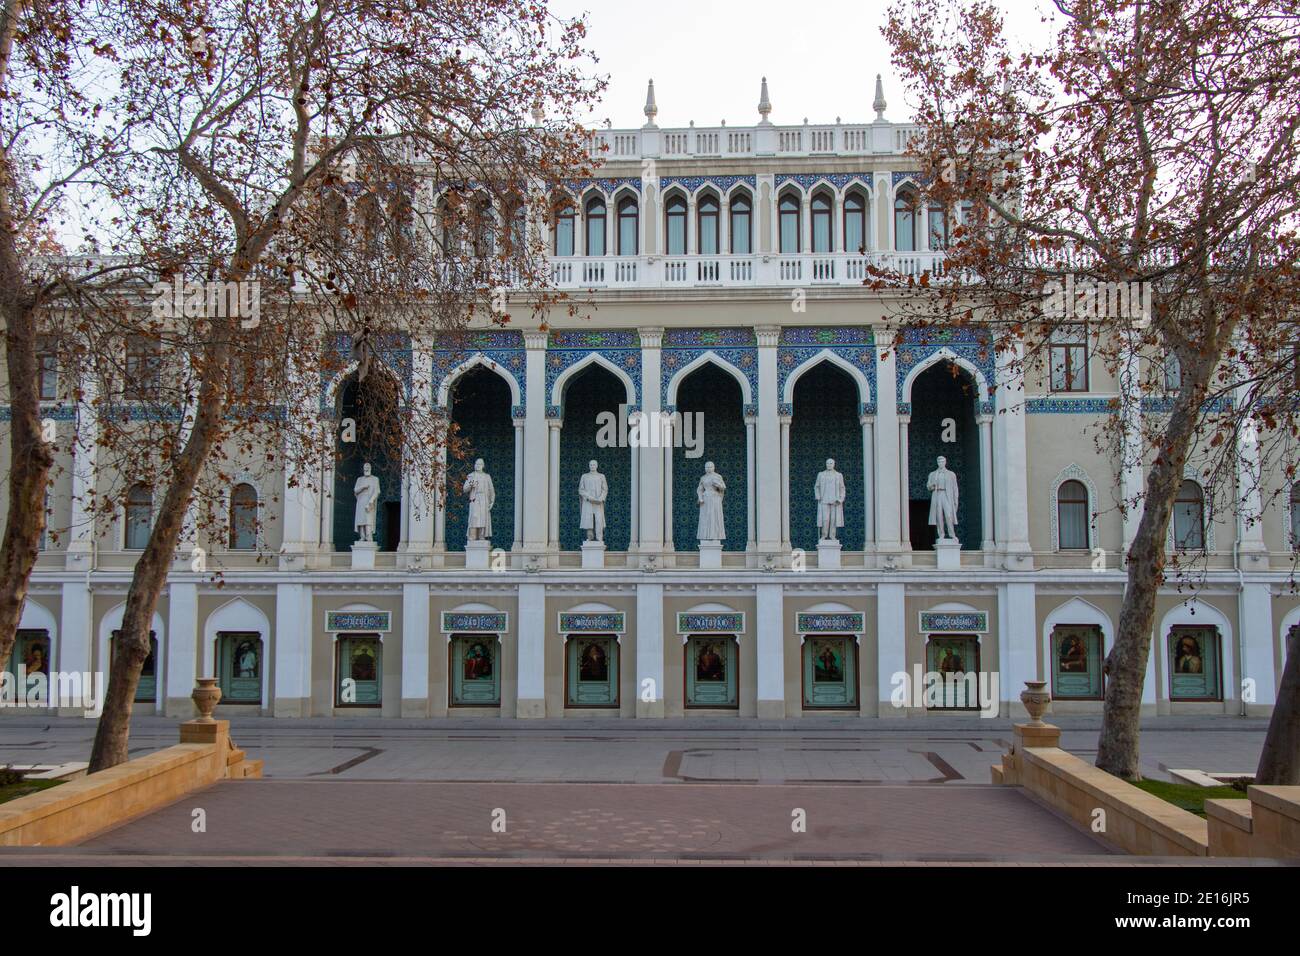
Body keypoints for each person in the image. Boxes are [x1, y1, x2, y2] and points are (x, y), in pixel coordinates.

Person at [927, 455, 959, 540]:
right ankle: (941, 534)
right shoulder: (933, 474)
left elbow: (955, 488)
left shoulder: (951, 474)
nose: (940, 463)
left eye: (942, 461)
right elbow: (928, 486)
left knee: (948, 515)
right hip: (937, 494)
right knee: (939, 516)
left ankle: (952, 534)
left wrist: (956, 500)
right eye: (939, 462)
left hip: (947, 495)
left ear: (945, 462)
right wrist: (932, 486)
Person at [696, 462, 727, 542]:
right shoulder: (703, 478)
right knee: (706, 517)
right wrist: (700, 498)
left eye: (710, 467)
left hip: (715, 498)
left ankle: (715, 535)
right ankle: (705, 535)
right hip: (706, 499)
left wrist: (717, 485)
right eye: (707, 467)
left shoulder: (717, 476)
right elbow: (700, 489)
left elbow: (723, 487)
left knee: (714, 516)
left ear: (713, 467)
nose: (708, 469)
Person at [353, 462, 381, 542]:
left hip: (369, 502)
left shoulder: (375, 479)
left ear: (371, 468)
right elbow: (355, 490)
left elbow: (377, 491)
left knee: (368, 519)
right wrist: (363, 487)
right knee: (361, 520)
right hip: (360, 501)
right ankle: (362, 536)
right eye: (365, 467)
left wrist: (371, 501)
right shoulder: (360, 479)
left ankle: (369, 536)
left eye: (368, 467)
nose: (367, 468)